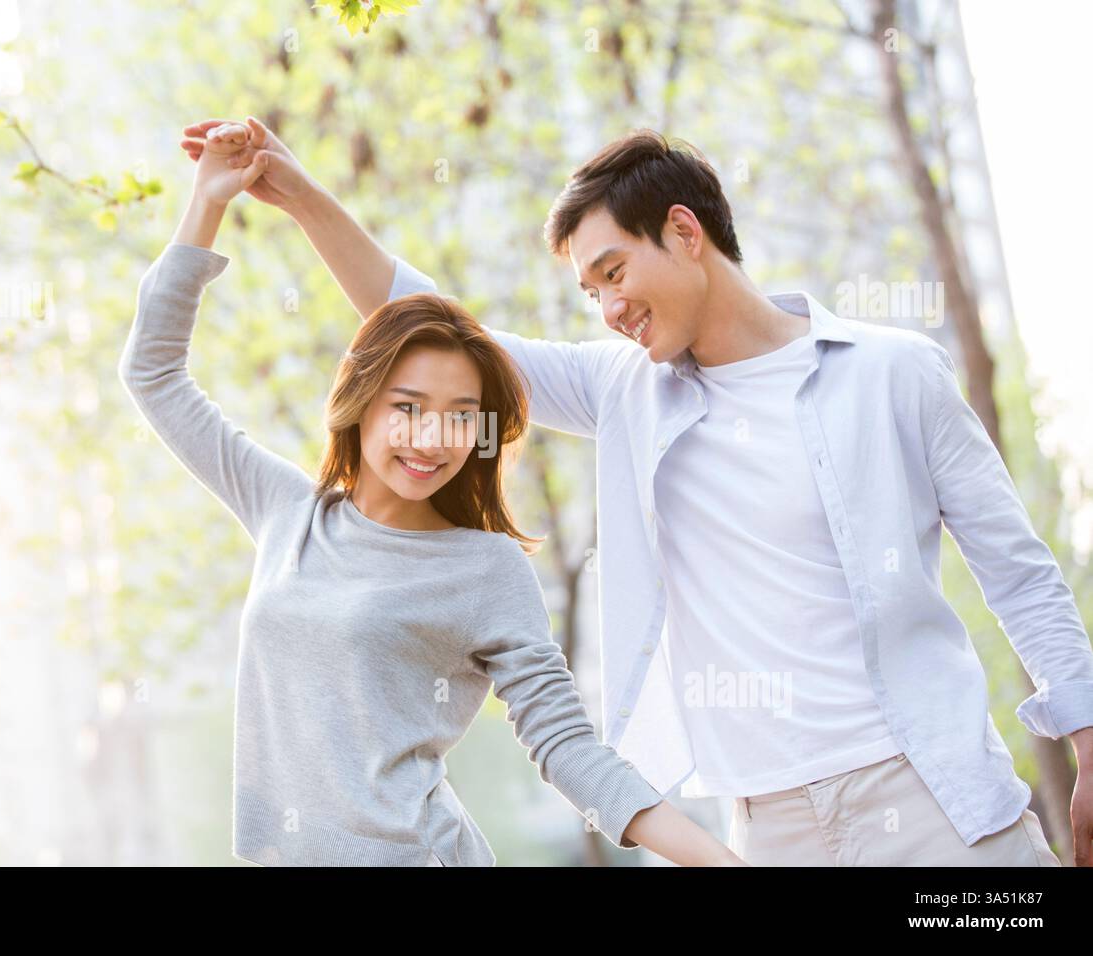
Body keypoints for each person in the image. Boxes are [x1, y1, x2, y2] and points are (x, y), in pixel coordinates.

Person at [199, 115, 1093, 866]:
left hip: (931, 797)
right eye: (590, 294)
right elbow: (436, 325)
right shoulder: (624, 389)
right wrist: (301, 197)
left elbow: (1015, 568)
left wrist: (1087, 736)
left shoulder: (894, 374)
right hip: (769, 827)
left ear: (684, 231)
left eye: (613, 274)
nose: (608, 311)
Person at [119, 119, 747, 867]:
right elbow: (153, 373)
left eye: (460, 417)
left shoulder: (485, 568)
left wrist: (725, 865)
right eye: (409, 407)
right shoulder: (288, 512)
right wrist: (207, 205)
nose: (431, 438)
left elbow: (569, 750)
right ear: (363, 403)